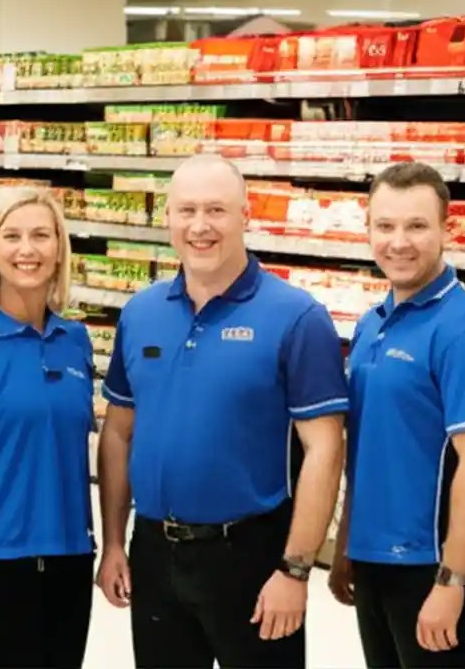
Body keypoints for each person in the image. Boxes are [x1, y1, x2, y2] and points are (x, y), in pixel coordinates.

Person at [97, 154, 349, 669]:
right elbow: (119, 433)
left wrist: (296, 569)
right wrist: (114, 544)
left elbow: (324, 448)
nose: (200, 226)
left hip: (251, 554)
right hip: (154, 550)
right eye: (186, 210)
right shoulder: (141, 313)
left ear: (244, 216)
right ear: (166, 217)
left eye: (216, 210)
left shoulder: (297, 317)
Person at [329, 162, 465, 669]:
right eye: (385, 226)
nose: (399, 242)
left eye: (416, 226)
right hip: (373, 557)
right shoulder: (372, 324)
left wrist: (453, 580)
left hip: (430, 564)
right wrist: (347, 539)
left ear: (445, 230)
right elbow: (368, 445)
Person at [0, 186, 96, 668]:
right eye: (12, 236)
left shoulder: (77, 340)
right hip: (2, 556)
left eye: (41, 236)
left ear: (59, 251)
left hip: (73, 553)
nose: (27, 250)